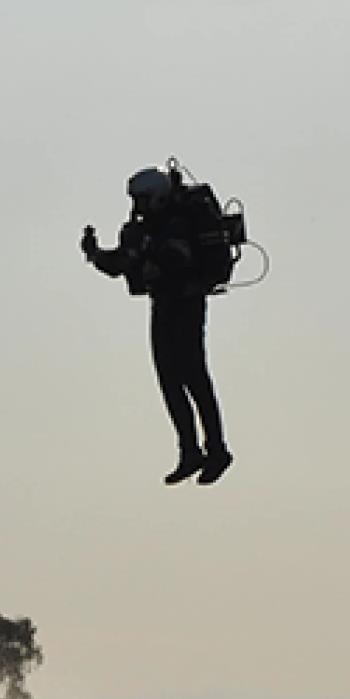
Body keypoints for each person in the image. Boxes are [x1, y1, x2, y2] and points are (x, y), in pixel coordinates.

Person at [82, 166, 233, 485]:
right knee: (170, 381)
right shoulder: (141, 231)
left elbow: (175, 260)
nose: (137, 207)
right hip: (162, 305)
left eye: (142, 200)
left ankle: (216, 450)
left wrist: (147, 252)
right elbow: (121, 264)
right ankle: (190, 451)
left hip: (186, 303)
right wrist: (95, 254)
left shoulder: (176, 226)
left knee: (194, 378)